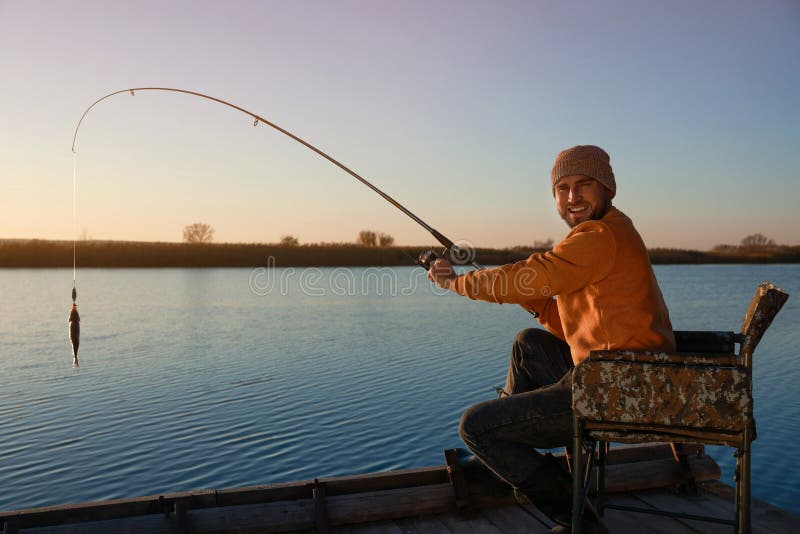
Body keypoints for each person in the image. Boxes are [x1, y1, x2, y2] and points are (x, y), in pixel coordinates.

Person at [428, 145, 675, 530]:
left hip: (620, 387)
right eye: (562, 188)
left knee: (475, 427)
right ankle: (504, 464)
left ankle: (579, 520)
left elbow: (534, 272)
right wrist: (537, 301)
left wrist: (458, 282)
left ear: (607, 187)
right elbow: (576, 321)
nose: (572, 197)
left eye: (584, 184)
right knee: (530, 344)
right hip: (616, 369)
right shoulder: (608, 232)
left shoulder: (598, 236)